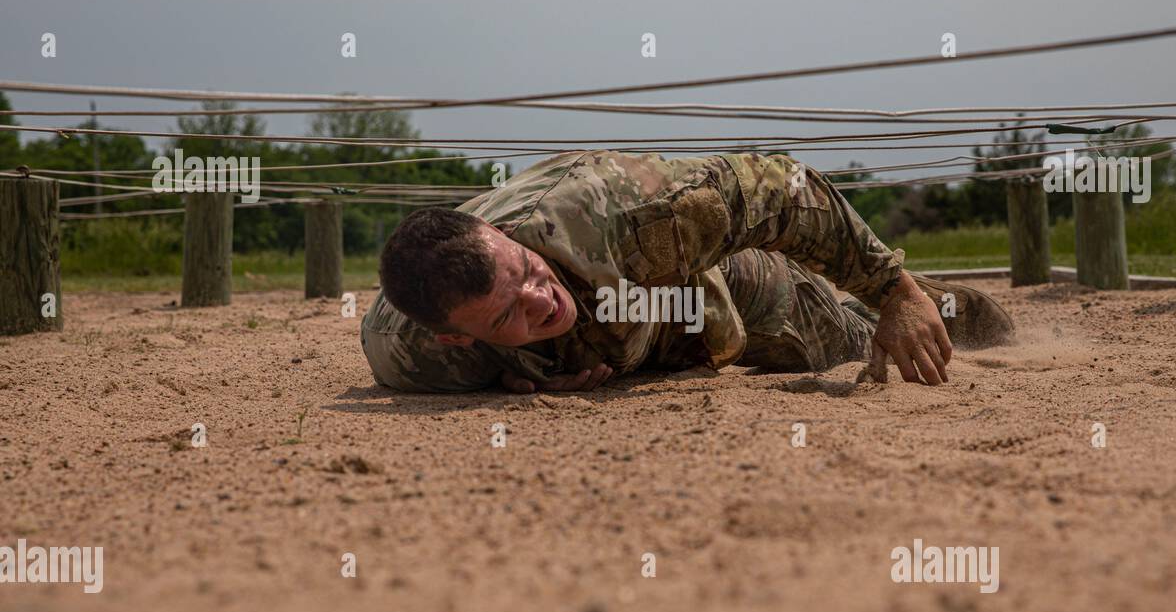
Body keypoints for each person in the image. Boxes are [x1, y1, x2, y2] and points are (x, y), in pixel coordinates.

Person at [361, 149, 1013, 394]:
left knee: (844, 333)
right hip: (640, 337)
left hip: (707, 290)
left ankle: (944, 306)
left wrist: (890, 289)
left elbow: (785, 187)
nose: (542, 301)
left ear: (504, 238)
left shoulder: (625, 208)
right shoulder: (412, 353)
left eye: (529, 272)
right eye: (509, 315)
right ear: (456, 337)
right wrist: (519, 370)